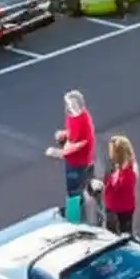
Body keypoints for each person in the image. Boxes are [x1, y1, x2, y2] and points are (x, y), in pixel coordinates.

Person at [47, 89, 97, 223]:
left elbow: (81, 143)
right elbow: (74, 134)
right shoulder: (72, 116)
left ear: (80, 104)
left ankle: (75, 218)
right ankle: (81, 208)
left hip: (78, 162)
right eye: (68, 105)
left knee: (74, 190)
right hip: (73, 160)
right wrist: (65, 134)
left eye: (73, 105)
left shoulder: (83, 120)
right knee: (77, 188)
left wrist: (60, 153)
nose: (70, 107)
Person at [101, 135, 139, 234]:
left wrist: (115, 173)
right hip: (118, 206)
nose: (110, 154)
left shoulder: (128, 171)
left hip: (119, 208)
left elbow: (117, 185)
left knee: (119, 234)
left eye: (112, 151)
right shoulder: (116, 166)